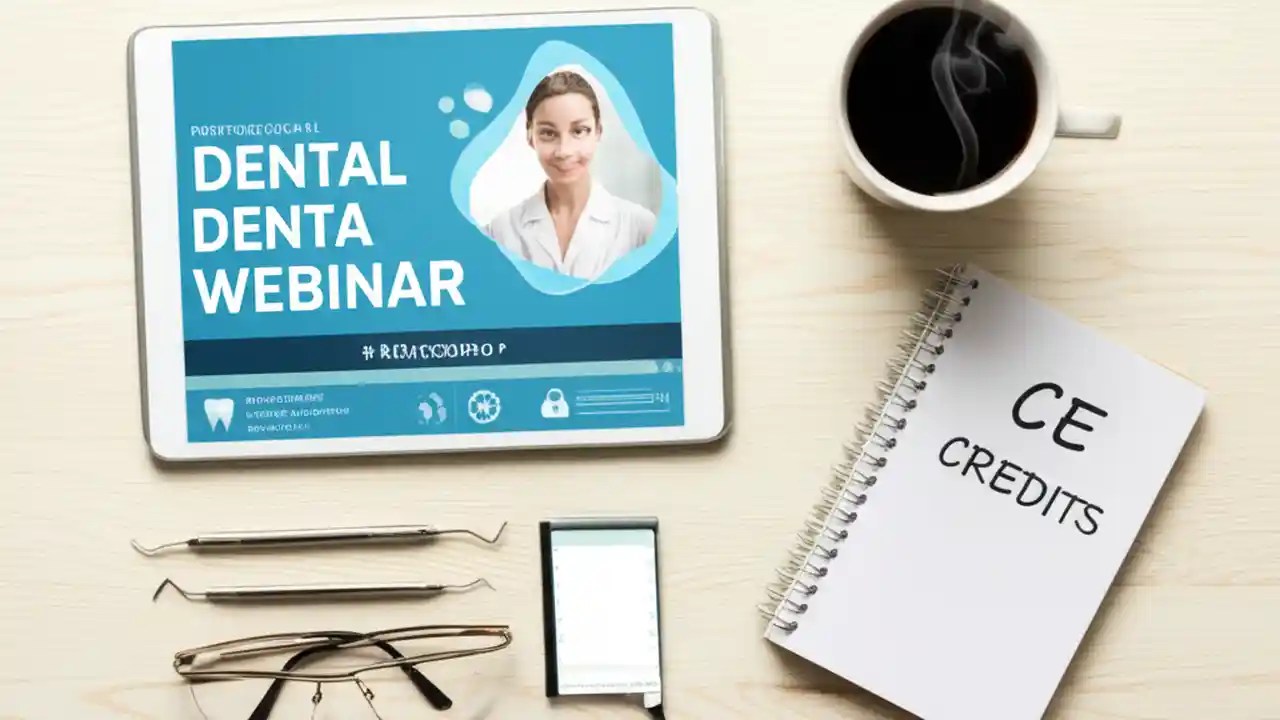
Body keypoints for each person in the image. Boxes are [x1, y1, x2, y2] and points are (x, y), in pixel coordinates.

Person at [483, 70, 656, 280]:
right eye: (548, 133)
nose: (564, 151)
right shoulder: (501, 231)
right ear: (530, 137)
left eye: (579, 131)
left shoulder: (640, 228)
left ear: (598, 132)